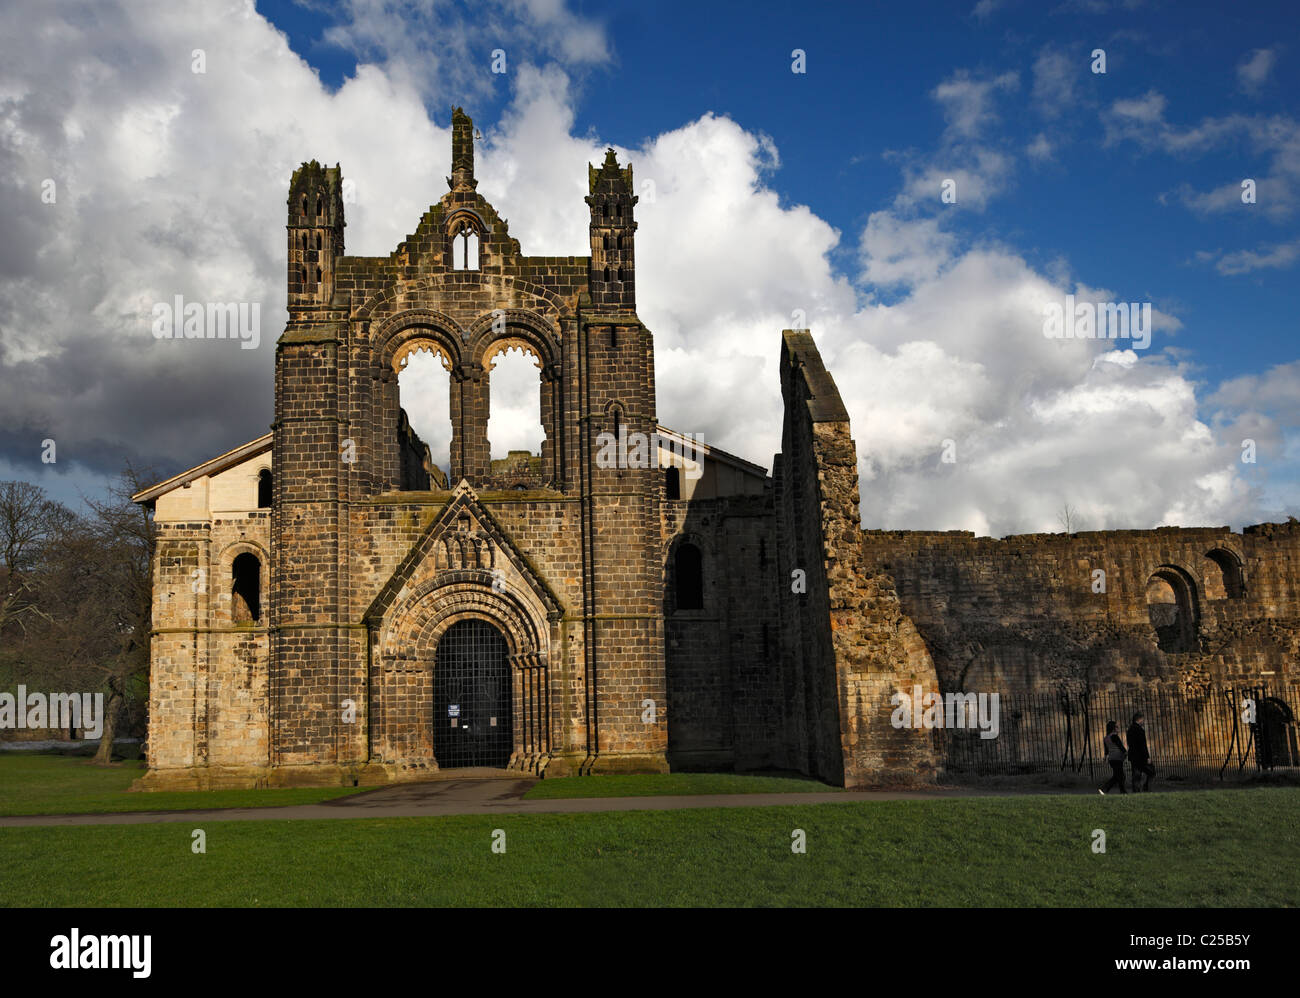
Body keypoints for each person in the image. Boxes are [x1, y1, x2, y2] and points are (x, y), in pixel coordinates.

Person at [1127, 712, 1154, 792]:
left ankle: (1136, 791)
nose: (1143, 721)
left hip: (1133, 756)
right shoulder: (1140, 730)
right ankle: (1146, 788)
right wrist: (1147, 757)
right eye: (1143, 719)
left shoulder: (1129, 729)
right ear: (1139, 719)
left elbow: (1130, 743)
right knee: (1151, 772)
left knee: (1136, 775)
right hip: (1140, 756)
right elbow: (1143, 745)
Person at [1098, 720, 1127, 795]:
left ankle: (1123, 792)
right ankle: (1104, 789)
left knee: (1119, 775)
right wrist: (1125, 753)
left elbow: (1106, 750)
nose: (1118, 728)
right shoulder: (1114, 736)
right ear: (1113, 728)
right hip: (1117, 758)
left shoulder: (1106, 738)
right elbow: (1120, 746)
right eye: (1117, 727)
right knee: (1119, 776)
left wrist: (1105, 757)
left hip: (1111, 759)